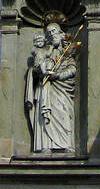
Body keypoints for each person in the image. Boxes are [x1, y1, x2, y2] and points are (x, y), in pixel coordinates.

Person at [25, 22, 77, 153]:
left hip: (61, 89)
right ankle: (45, 146)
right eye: (48, 32)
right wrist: (39, 72)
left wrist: (58, 76)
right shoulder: (44, 51)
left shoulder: (66, 51)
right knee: (45, 114)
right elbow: (36, 68)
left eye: (53, 31)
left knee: (63, 111)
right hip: (45, 88)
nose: (51, 34)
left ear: (61, 34)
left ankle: (66, 144)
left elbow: (72, 69)